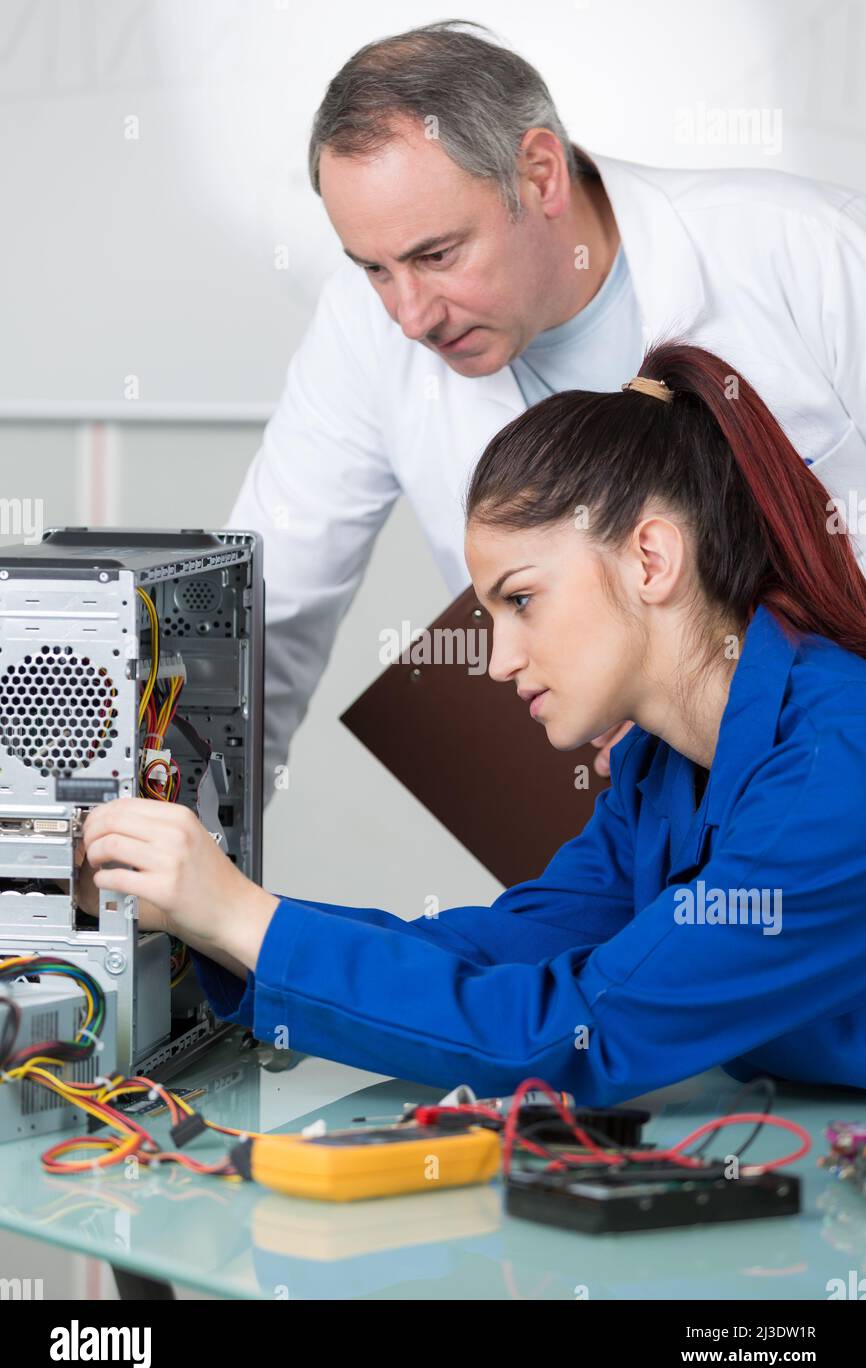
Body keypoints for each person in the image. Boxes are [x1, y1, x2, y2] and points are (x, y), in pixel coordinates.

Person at [80, 341, 866, 1106]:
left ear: (650, 561)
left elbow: (583, 1028)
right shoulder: (659, 769)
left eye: (521, 600)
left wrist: (243, 918)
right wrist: (210, 918)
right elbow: (501, 951)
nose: (495, 663)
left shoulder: (832, 772)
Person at [229, 20, 866, 792]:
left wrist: (692, 689)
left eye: (438, 255)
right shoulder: (364, 332)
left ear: (540, 174)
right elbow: (264, 614)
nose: (410, 316)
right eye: (373, 268)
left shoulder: (811, 249)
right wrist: (184, 839)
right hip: (626, 796)